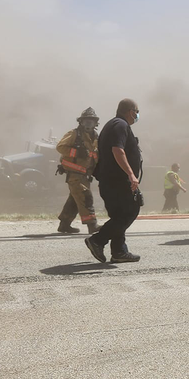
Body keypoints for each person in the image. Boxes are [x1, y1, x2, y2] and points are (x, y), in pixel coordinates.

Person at [85, 99, 142, 263]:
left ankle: (119, 251)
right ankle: (97, 240)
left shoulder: (114, 124)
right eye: (136, 111)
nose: (137, 115)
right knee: (130, 211)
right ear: (131, 111)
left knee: (118, 216)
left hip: (110, 181)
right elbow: (118, 150)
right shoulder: (120, 125)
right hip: (118, 181)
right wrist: (131, 174)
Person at [56, 107, 100, 234]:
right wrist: (76, 152)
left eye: (91, 121)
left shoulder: (95, 137)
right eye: (86, 121)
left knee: (75, 200)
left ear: (95, 123)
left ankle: (64, 224)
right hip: (74, 175)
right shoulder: (74, 134)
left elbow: (95, 156)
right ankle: (92, 225)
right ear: (80, 122)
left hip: (85, 175)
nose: (88, 124)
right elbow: (60, 147)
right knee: (85, 196)